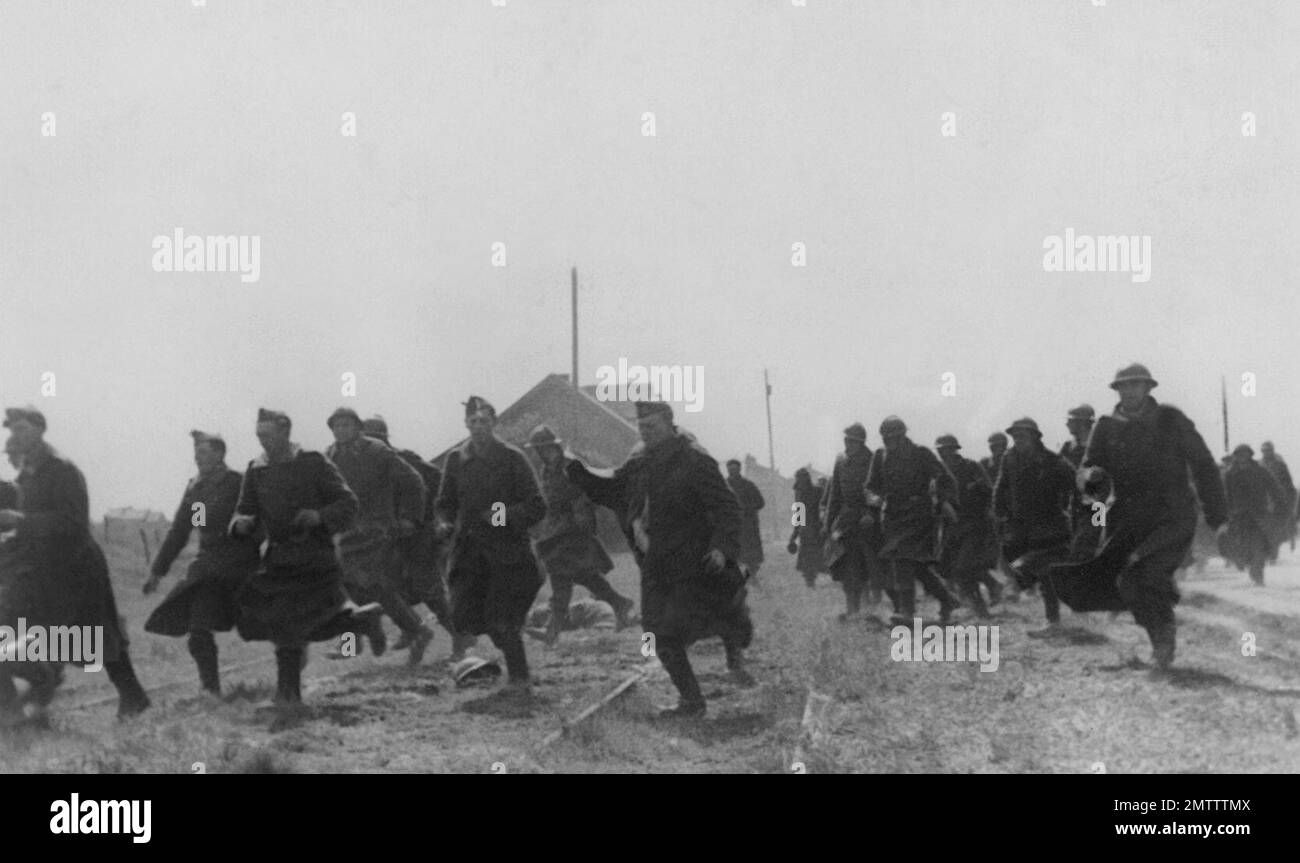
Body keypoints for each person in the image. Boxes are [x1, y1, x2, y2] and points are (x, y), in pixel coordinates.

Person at [567, 401, 753, 717]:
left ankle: (734, 632)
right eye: (641, 427)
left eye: (651, 426)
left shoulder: (695, 459)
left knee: (705, 620)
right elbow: (614, 490)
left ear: (669, 422)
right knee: (654, 635)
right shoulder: (640, 459)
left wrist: (722, 548)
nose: (645, 432)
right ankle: (692, 702)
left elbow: (727, 508)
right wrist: (577, 470)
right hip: (655, 563)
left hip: (694, 562)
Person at [1055, 364, 1227, 671]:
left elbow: (1203, 463)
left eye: (1137, 385)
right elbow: (1087, 470)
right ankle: (1160, 639)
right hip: (1129, 520)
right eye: (1124, 386)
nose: (1131, 391)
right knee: (1129, 583)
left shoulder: (1170, 419)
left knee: (1145, 575)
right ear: (1117, 390)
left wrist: (1217, 514)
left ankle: (1163, 646)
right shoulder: (1106, 425)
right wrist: (1091, 477)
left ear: (1148, 388)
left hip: (1172, 515)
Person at [0, 406, 150, 725]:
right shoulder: (28, 473)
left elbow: (74, 522)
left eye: (22, 429)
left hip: (76, 567)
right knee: (28, 635)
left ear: (41, 429)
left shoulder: (62, 469)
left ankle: (132, 696)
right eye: (12, 430)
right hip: (45, 568)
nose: (15, 436)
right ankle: (23, 709)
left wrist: (20, 521)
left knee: (97, 635)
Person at [229, 409, 385, 708]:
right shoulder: (256, 469)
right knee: (288, 624)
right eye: (259, 436)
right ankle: (360, 621)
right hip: (278, 559)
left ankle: (288, 696)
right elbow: (244, 508)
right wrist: (240, 523)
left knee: (290, 625)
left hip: (315, 557)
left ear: (286, 431)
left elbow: (348, 503)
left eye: (269, 435)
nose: (264, 442)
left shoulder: (312, 461)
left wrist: (318, 516)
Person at [433, 397, 545, 696]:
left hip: (508, 555)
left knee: (500, 618)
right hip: (469, 556)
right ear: (466, 424)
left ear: (495, 423)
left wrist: (499, 515)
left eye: (485, 421)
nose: (479, 426)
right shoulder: (456, 459)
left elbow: (536, 505)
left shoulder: (512, 458)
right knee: (464, 616)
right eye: (473, 421)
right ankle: (508, 654)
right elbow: (444, 503)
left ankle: (520, 678)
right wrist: (443, 523)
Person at [143, 431, 262, 695]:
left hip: (240, 567)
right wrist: (156, 572)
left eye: (204, 453)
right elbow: (182, 530)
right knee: (198, 630)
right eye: (196, 454)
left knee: (261, 625)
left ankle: (291, 669)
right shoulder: (196, 488)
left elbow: (258, 518)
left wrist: (247, 530)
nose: (198, 459)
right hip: (209, 570)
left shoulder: (238, 483)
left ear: (220, 454)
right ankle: (211, 691)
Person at [326, 407, 435, 665]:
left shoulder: (376, 451)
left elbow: (414, 480)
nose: (341, 430)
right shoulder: (329, 455)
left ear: (358, 427)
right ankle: (416, 630)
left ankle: (361, 641)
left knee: (365, 586)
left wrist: (411, 517)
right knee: (363, 589)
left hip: (377, 530)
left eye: (346, 425)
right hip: (348, 533)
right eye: (336, 426)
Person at [361, 416, 474, 662]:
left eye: (372, 439)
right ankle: (414, 631)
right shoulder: (369, 467)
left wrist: (431, 517)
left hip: (419, 532)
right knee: (388, 587)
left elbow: (437, 482)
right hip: (393, 535)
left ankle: (460, 637)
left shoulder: (403, 458)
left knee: (429, 588)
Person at [525, 424, 634, 645]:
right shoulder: (548, 469)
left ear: (554, 446)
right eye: (539, 448)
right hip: (557, 532)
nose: (544, 452)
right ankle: (620, 604)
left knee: (560, 578)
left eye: (546, 447)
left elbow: (583, 496)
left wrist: (581, 526)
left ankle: (552, 632)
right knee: (587, 577)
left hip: (571, 533)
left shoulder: (569, 465)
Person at [865, 416, 960, 626]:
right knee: (915, 565)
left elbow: (944, 478)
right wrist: (874, 500)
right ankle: (947, 599)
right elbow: (871, 486)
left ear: (902, 435)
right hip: (892, 517)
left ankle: (907, 611)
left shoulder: (921, 453)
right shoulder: (880, 456)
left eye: (893, 437)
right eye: (885, 438)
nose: (889, 442)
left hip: (918, 514)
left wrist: (944, 501)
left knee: (903, 559)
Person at [994, 418, 1074, 638]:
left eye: (1022, 436)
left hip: (1049, 524)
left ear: (1035, 437)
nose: (1018, 440)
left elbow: (1075, 484)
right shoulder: (1009, 458)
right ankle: (1053, 615)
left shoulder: (1051, 460)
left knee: (1042, 570)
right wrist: (999, 511)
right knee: (1028, 566)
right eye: (1015, 436)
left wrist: (1076, 511)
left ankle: (1053, 620)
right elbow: (1001, 486)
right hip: (1020, 525)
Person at [824, 423, 888, 619]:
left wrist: (871, 512)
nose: (847, 444)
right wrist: (827, 524)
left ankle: (873, 607)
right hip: (845, 520)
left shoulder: (872, 460)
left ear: (861, 443)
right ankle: (852, 609)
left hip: (868, 521)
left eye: (852, 441)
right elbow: (834, 493)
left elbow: (879, 490)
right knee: (844, 564)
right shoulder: (840, 460)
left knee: (869, 565)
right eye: (846, 440)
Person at [935, 435, 997, 618]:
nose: (943, 453)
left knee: (964, 568)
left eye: (947, 449)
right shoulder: (938, 473)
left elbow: (988, 490)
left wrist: (976, 491)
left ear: (955, 449)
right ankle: (974, 603)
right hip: (951, 527)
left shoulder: (971, 467)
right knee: (947, 569)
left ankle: (980, 610)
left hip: (974, 525)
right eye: (940, 450)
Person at [1221, 444, 1285, 585]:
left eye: (1245, 454)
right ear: (1236, 456)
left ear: (1250, 455)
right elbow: (1226, 496)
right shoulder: (1230, 474)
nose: (1242, 457)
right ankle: (1245, 563)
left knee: (1259, 545)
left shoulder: (1260, 471)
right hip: (1239, 515)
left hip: (1259, 513)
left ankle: (1257, 572)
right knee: (1242, 545)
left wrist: (1279, 505)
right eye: (1239, 454)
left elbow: (1273, 488)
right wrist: (1227, 513)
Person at [1061, 405, 1103, 561]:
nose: (1067, 424)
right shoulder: (1067, 448)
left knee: (1096, 541)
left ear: (1082, 423)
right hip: (1074, 504)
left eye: (1071, 421)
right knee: (1076, 540)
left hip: (1098, 504)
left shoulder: (1100, 445)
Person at [725, 459, 766, 578]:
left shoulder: (748, 485)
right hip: (730, 523)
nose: (732, 472)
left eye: (735, 469)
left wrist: (747, 508)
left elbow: (760, 502)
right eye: (730, 469)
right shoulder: (723, 486)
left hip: (748, 524)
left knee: (750, 553)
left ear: (739, 469)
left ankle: (751, 571)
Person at [787, 467, 826, 588]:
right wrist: (794, 535)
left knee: (817, 556)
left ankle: (811, 579)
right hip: (806, 530)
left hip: (817, 528)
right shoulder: (799, 493)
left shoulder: (818, 491)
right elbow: (798, 515)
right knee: (808, 558)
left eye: (803, 479)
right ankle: (810, 580)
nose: (801, 482)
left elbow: (825, 508)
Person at [1259, 441, 1296, 559]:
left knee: (1276, 527)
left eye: (1268, 450)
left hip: (1278, 499)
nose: (1266, 453)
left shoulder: (1280, 465)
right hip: (1263, 499)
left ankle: (1274, 550)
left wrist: (1288, 499)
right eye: (1264, 450)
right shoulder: (1258, 465)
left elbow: (1288, 484)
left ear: (1272, 451)